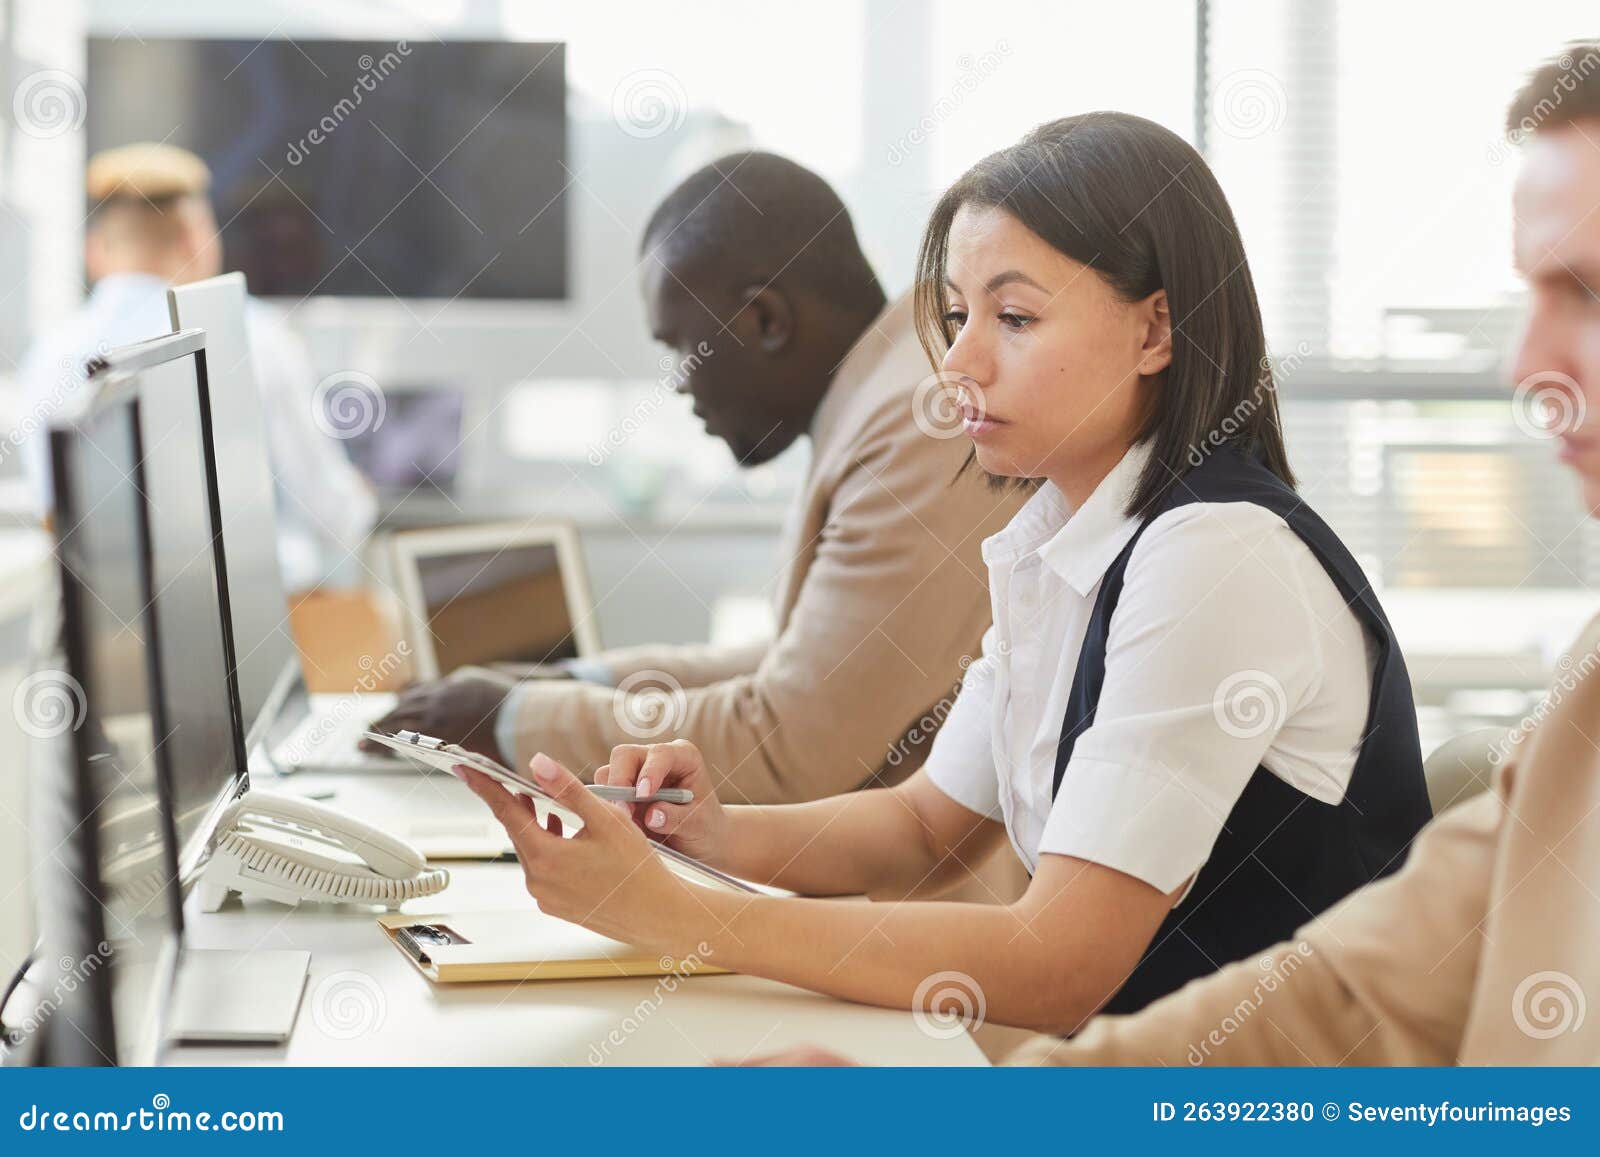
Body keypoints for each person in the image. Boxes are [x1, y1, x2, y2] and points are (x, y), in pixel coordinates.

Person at [454, 114, 1433, 1035]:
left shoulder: (1215, 553)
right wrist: (707, 832)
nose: (957, 359)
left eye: (1011, 316)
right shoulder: (1062, 537)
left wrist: (677, 915)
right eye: (958, 313)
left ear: (1154, 331)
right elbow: (923, 822)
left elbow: (1057, 960)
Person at [372, 153, 1027, 818]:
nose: (681, 384)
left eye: (682, 347)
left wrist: (512, 721)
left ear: (765, 320)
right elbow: (798, 661)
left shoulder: (917, 420)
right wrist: (573, 682)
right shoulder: (885, 388)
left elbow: (793, 740)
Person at [15, 142, 375, 589]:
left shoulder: (50, 356)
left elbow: (53, 510)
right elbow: (329, 511)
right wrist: (363, 501)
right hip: (246, 622)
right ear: (197, 239)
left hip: (103, 630)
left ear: (95, 251)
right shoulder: (255, 338)